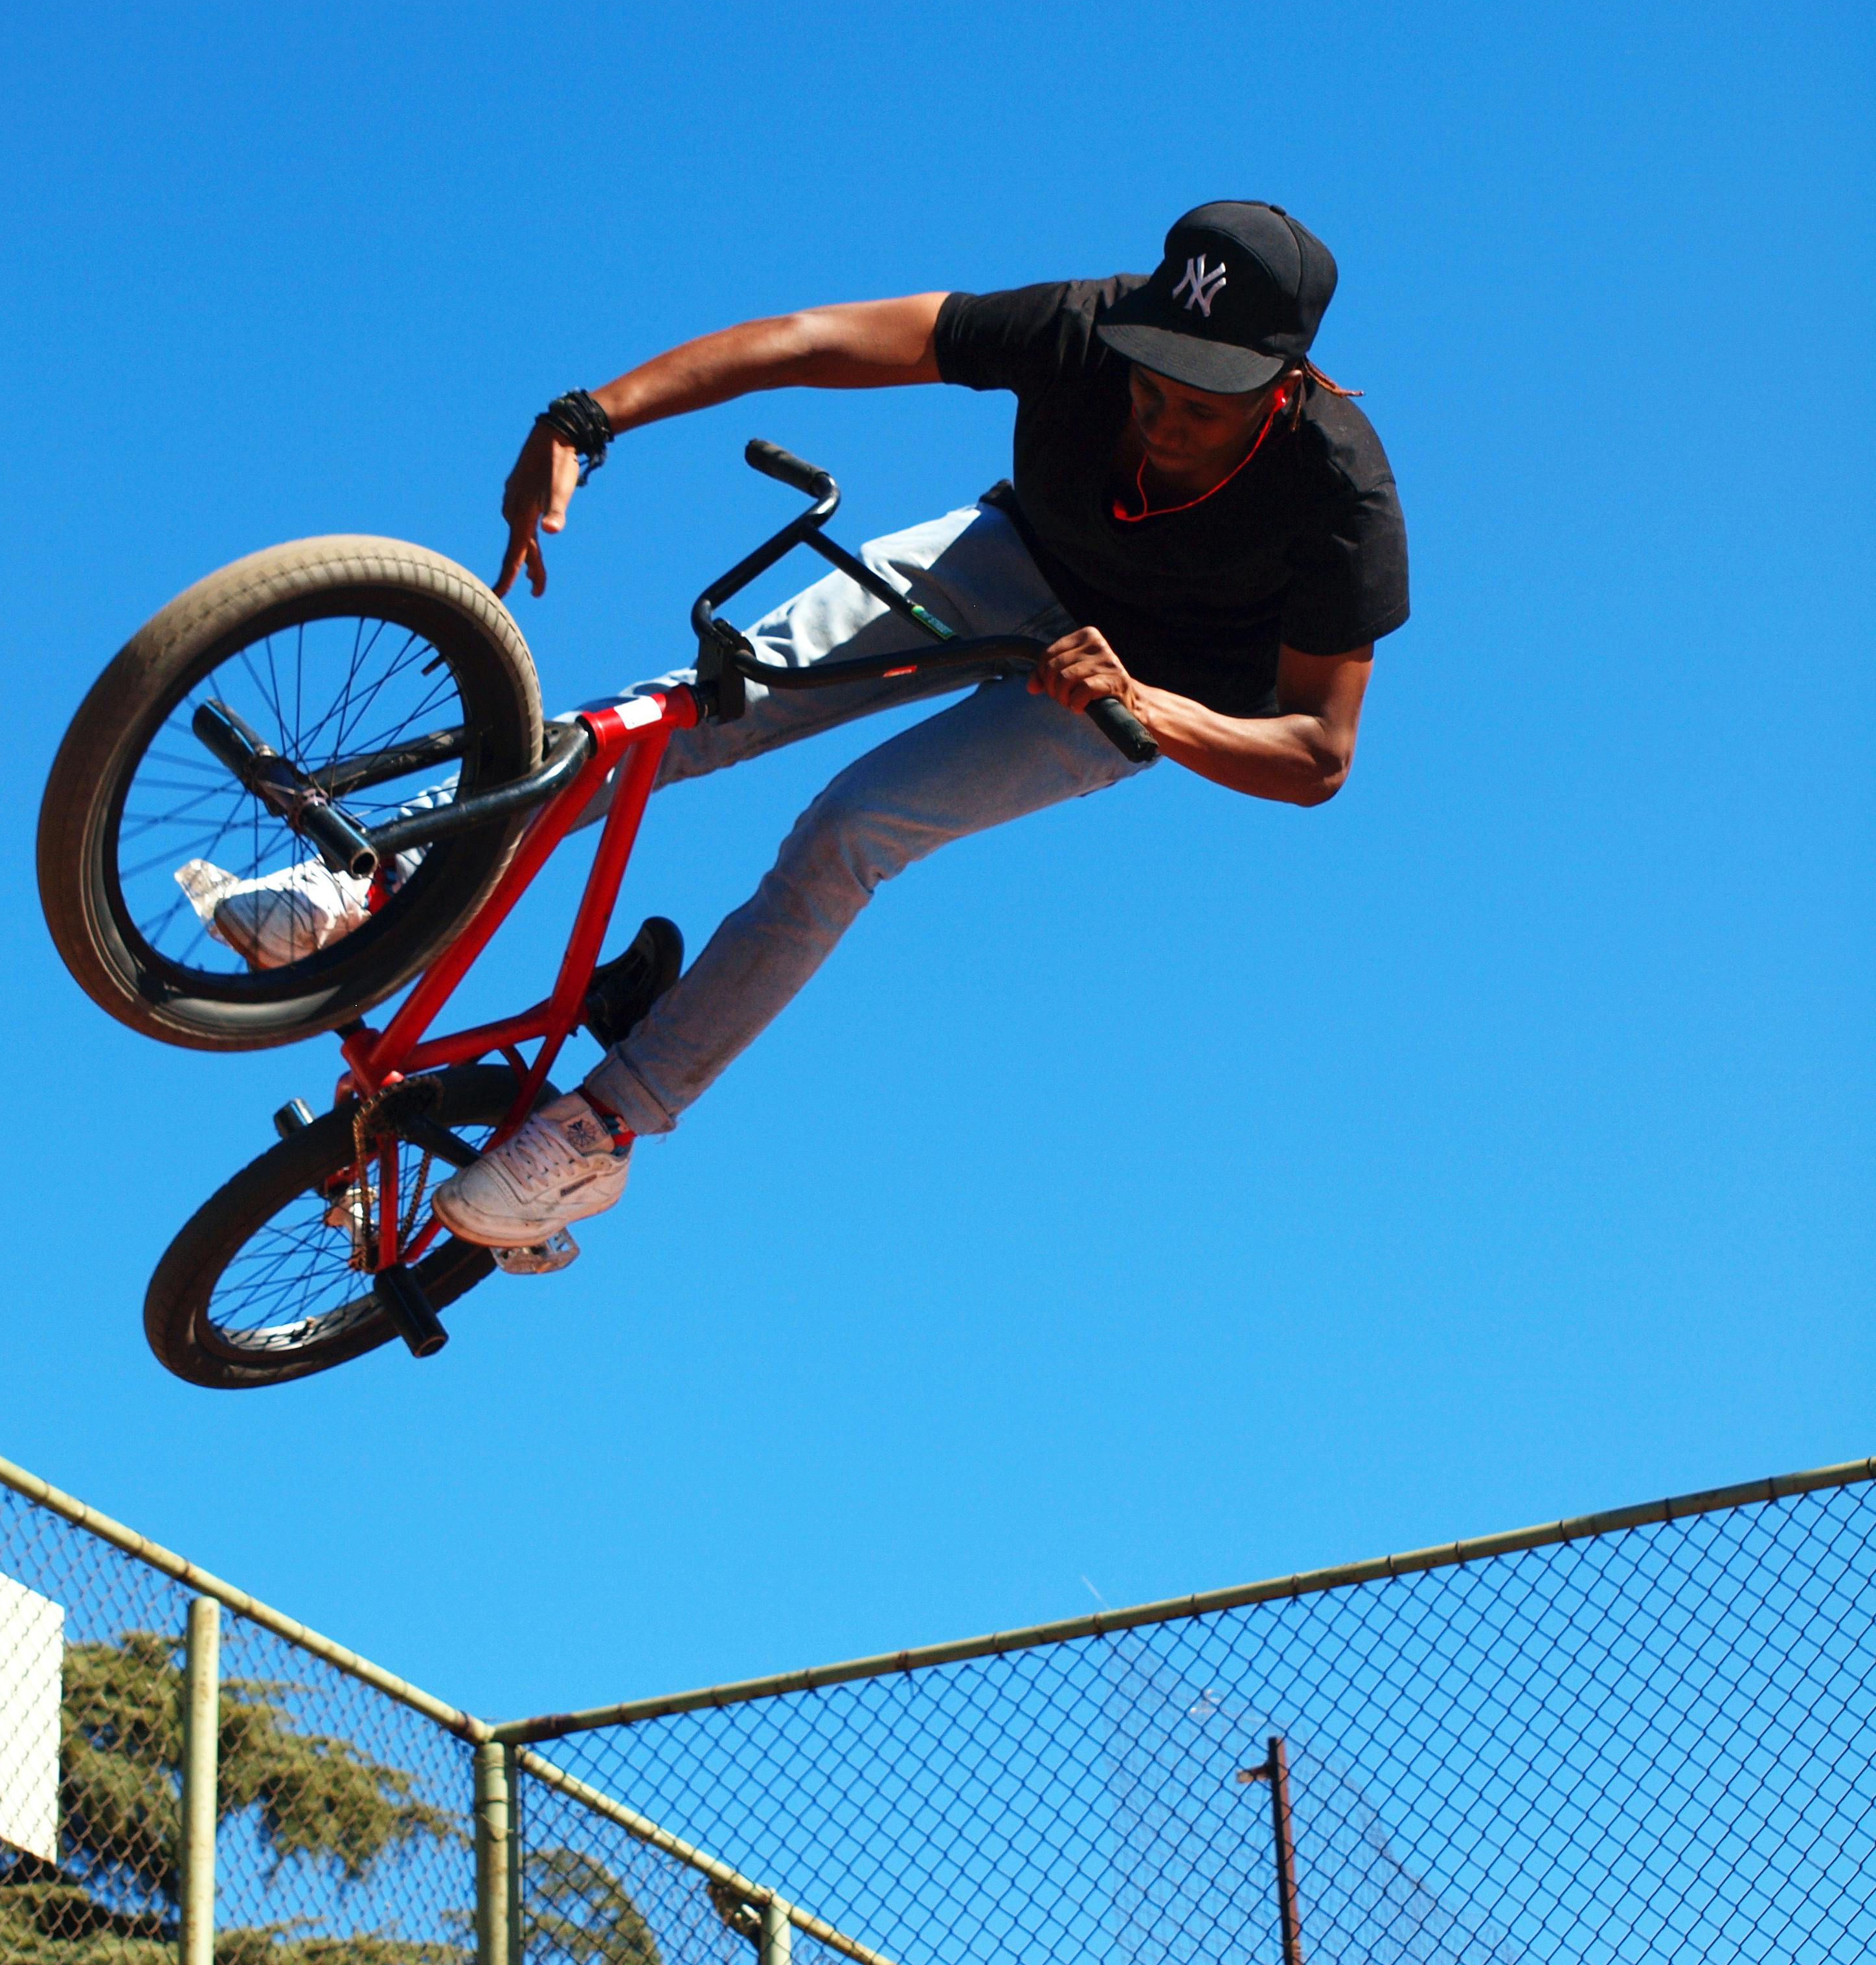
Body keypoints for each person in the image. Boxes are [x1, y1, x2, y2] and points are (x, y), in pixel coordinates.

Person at [410, 199, 1408, 1250]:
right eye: (1149, 384)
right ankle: (384, 876)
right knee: (718, 695)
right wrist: (586, 419)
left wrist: (1150, 709)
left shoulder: (1339, 494)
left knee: (854, 827)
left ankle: (601, 1132)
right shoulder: (1079, 326)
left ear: (1283, 390)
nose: (1161, 421)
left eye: (1202, 408)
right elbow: (812, 341)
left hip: (1135, 688)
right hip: (1005, 559)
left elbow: (1318, 755)